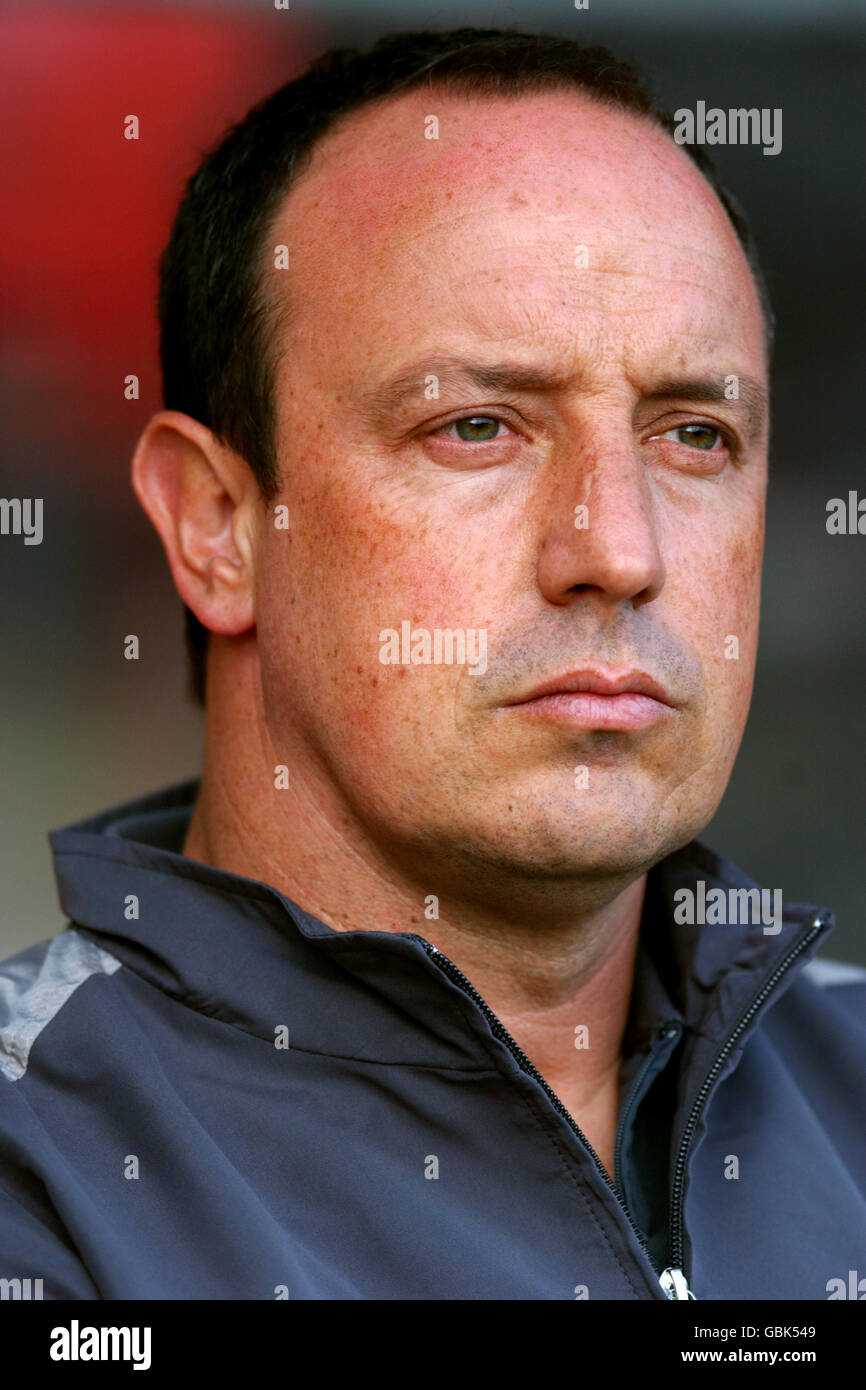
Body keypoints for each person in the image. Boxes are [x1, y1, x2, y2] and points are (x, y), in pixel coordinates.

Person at [1, 27, 863, 1302]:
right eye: (475, 426)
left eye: (692, 433)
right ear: (218, 528)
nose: (615, 551)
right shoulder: (44, 1181)